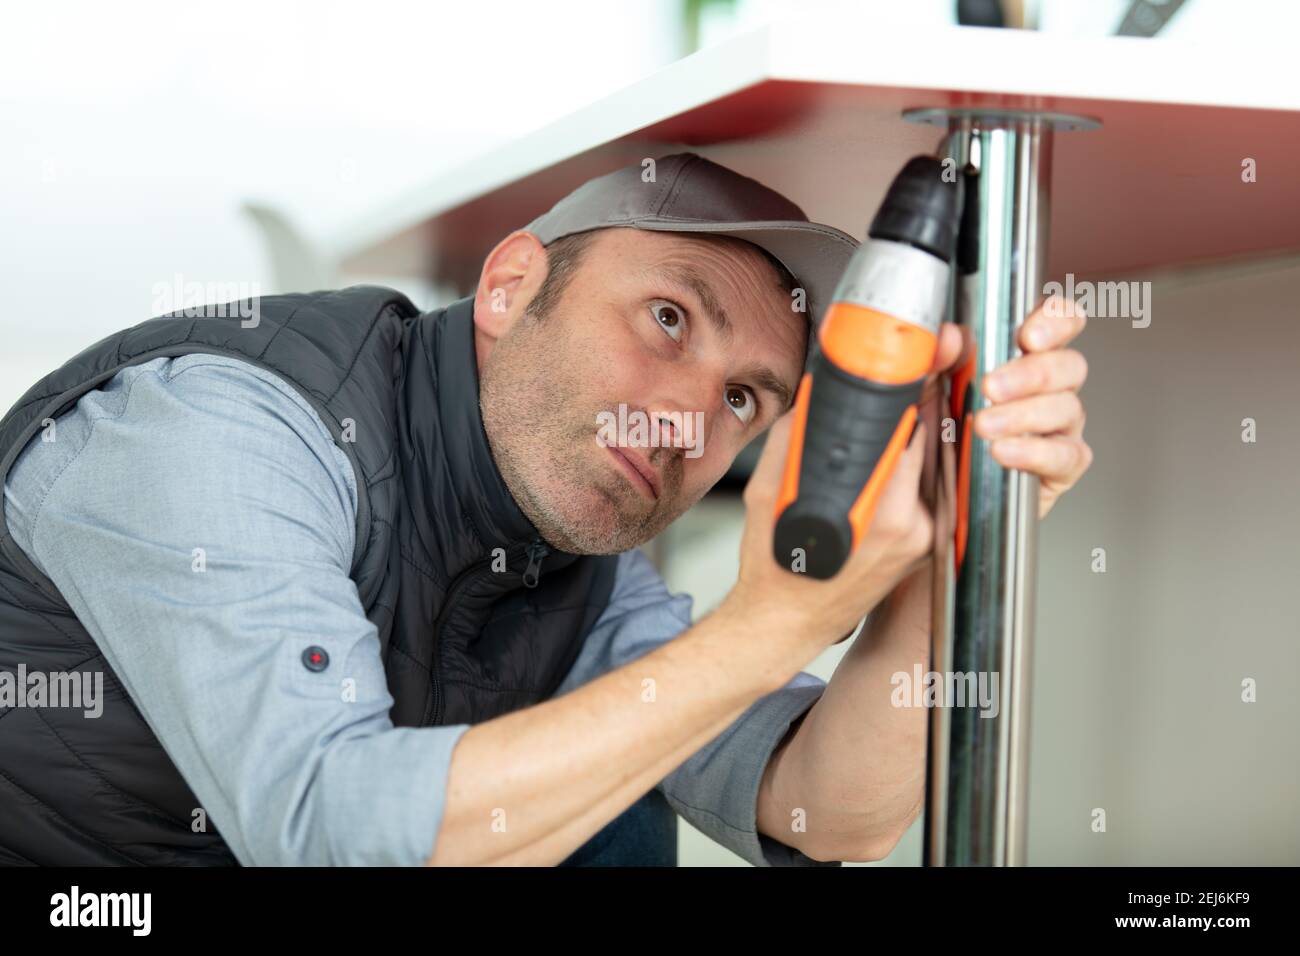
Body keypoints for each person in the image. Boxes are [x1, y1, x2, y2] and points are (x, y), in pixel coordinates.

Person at [0, 152, 1091, 866]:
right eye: (667, 316)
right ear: (513, 283)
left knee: (617, 756)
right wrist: (774, 621)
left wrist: (958, 540)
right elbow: (325, 828)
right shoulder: (215, 426)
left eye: (743, 396)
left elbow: (827, 806)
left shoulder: (569, 542)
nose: (686, 420)